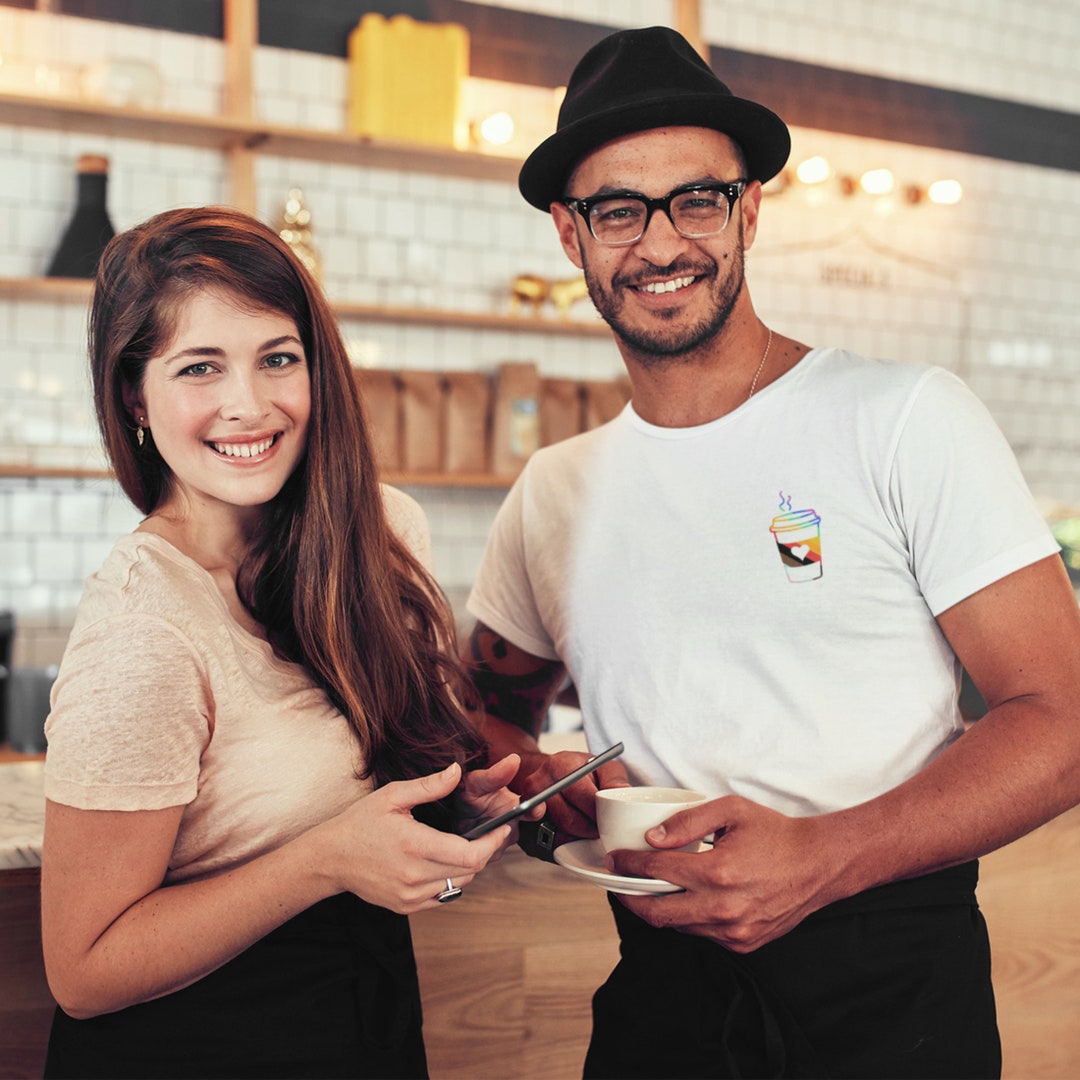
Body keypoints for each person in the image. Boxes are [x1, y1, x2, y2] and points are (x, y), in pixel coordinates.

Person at [463, 25, 1080, 1079]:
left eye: (694, 199)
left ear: (748, 208)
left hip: (897, 1005)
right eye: (618, 210)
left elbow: (1063, 719)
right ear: (571, 236)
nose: (659, 244)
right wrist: (531, 781)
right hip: (661, 1012)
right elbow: (483, 710)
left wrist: (822, 859)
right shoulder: (553, 493)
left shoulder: (905, 418)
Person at [40, 206, 529, 1079]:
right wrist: (326, 861)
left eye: (277, 358)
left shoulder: (384, 535)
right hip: (192, 1049)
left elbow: (344, 794)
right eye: (200, 367)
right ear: (133, 397)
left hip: (364, 1020)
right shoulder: (143, 626)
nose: (249, 404)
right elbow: (83, 971)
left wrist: (452, 813)